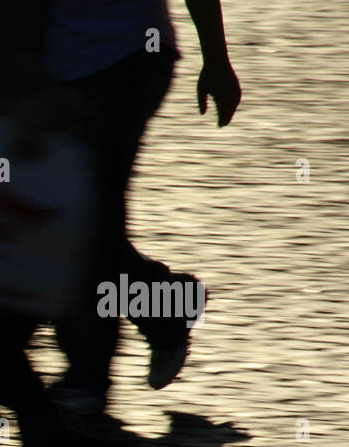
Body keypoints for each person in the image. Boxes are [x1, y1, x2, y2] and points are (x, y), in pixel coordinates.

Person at [47, 0, 241, 416]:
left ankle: (87, 378)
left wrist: (217, 60)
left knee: (89, 217)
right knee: (68, 216)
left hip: (129, 57)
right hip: (58, 71)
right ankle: (163, 306)